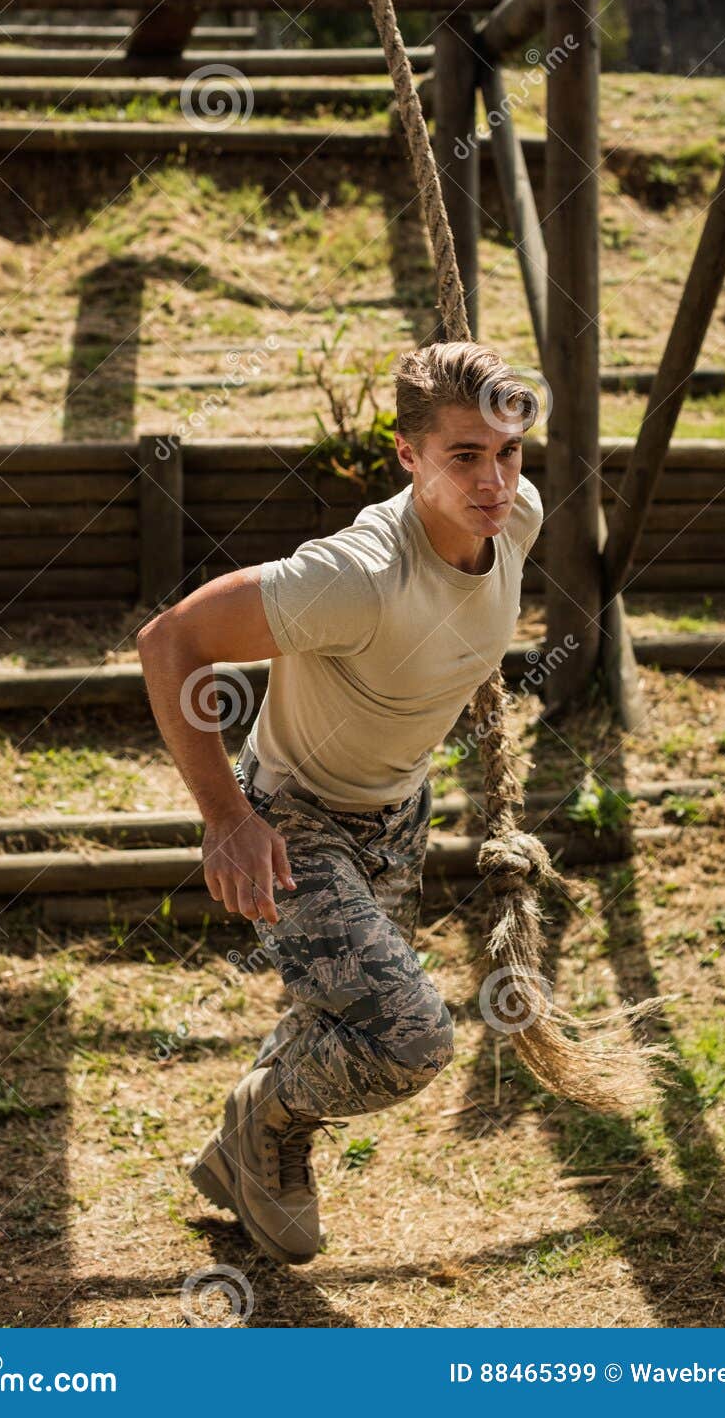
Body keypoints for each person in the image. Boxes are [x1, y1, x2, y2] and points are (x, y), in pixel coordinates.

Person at [137, 340, 544, 1264]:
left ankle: (252, 1145)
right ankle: (262, 1124)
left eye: (508, 451)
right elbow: (169, 641)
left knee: (342, 1011)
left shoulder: (516, 516)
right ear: (408, 457)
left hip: (398, 815)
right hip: (296, 821)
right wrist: (228, 819)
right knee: (409, 1038)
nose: (493, 480)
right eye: (463, 456)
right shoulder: (354, 575)